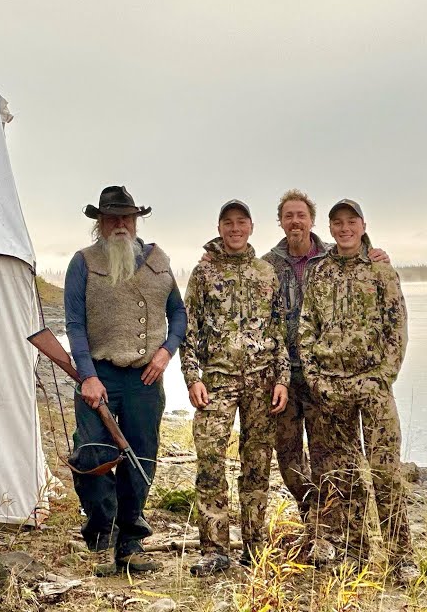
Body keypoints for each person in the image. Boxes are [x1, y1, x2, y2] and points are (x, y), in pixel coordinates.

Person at [65, 185, 187, 576]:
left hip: (145, 381)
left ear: (136, 221)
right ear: (99, 223)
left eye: (127, 217)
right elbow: (74, 326)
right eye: (112, 217)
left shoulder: (159, 260)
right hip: (98, 377)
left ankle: (130, 542)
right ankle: (101, 534)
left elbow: (179, 314)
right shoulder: (82, 262)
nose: (120, 224)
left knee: (141, 458)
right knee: (90, 457)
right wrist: (87, 376)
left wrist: (167, 352)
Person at [261, 189, 388, 560]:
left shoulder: (329, 257)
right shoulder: (269, 264)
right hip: (282, 376)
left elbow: (359, 265)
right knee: (288, 459)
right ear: (281, 222)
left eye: (301, 214)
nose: (295, 221)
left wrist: (374, 252)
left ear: (312, 220)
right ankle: (313, 520)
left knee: (328, 457)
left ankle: (334, 536)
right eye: (288, 215)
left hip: (325, 375)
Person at [299, 199, 413, 581]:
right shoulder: (320, 272)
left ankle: (401, 558)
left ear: (363, 225)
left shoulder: (381, 270)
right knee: (344, 473)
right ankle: (355, 552)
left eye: (351, 222)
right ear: (330, 229)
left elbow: (397, 328)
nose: (344, 228)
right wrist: (316, 378)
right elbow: (306, 328)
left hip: (373, 388)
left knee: (385, 472)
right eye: (337, 223)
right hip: (331, 390)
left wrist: (383, 377)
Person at [182, 200, 290, 576]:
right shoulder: (203, 272)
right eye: (228, 223)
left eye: (241, 222)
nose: (234, 228)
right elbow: (189, 330)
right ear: (219, 227)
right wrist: (193, 378)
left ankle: (255, 545)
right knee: (211, 461)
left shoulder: (265, 273)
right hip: (216, 381)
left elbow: (278, 331)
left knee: (257, 464)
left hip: (262, 382)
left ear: (251, 227)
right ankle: (214, 549)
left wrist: (282, 379)